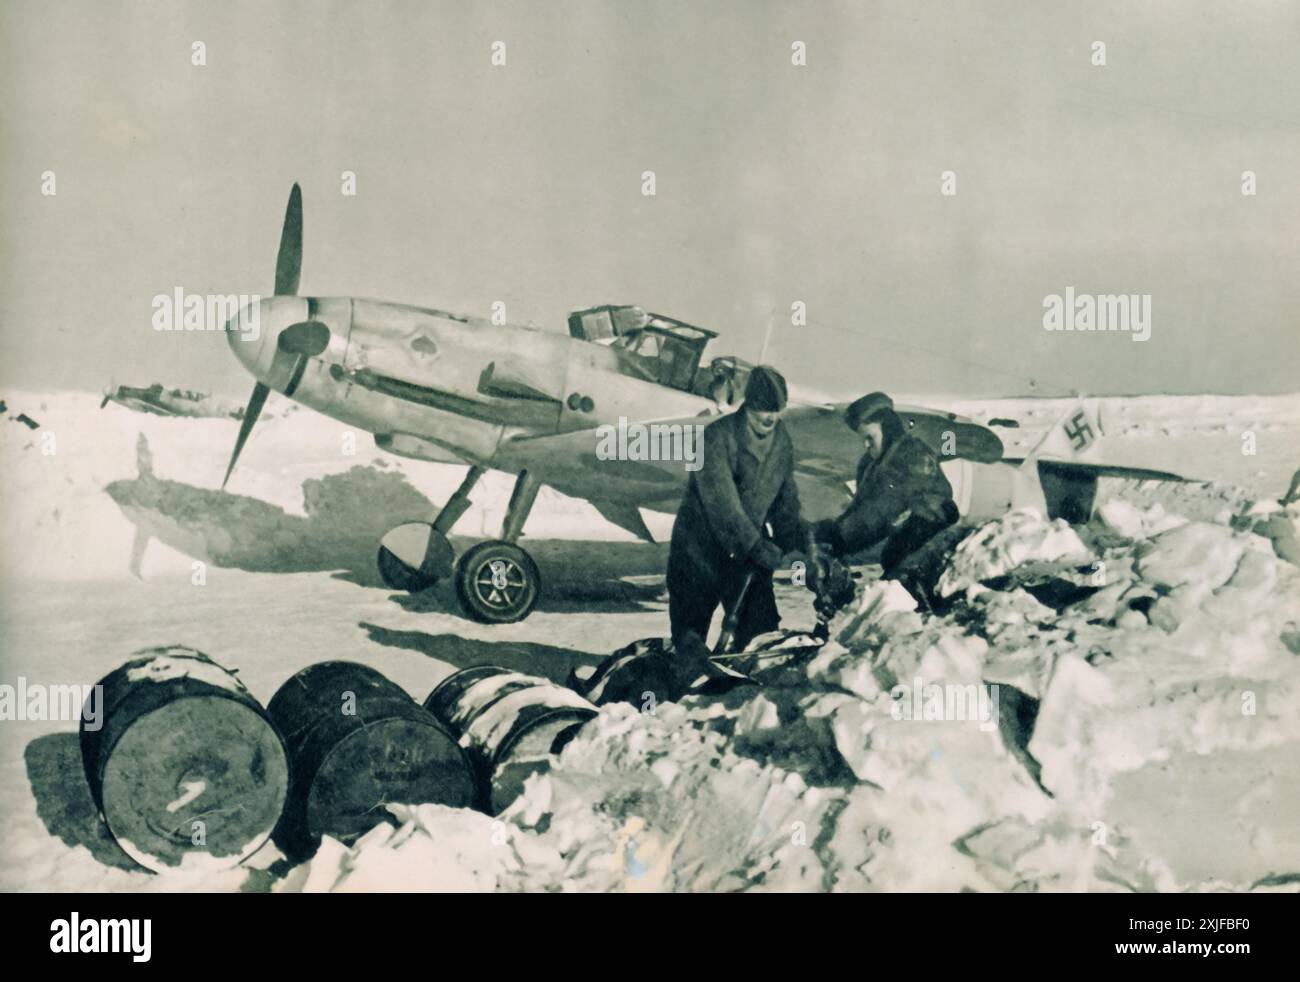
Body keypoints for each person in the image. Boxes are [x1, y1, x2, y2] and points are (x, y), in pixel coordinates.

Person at [666, 365, 807, 652]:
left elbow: (785, 498)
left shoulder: (782, 442)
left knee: (760, 634)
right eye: (764, 409)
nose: (771, 416)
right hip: (699, 550)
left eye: (777, 409)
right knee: (690, 637)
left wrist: (797, 540)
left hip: (745, 552)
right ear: (749, 404)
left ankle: (740, 689)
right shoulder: (717, 436)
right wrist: (757, 547)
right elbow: (722, 505)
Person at [814, 391, 959, 578]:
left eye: (870, 438)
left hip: (929, 538)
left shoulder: (912, 454)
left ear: (888, 429)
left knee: (895, 563)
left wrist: (841, 538)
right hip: (901, 542)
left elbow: (886, 509)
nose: (865, 445)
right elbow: (861, 507)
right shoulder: (870, 464)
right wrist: (833, 531)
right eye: (863, 439)